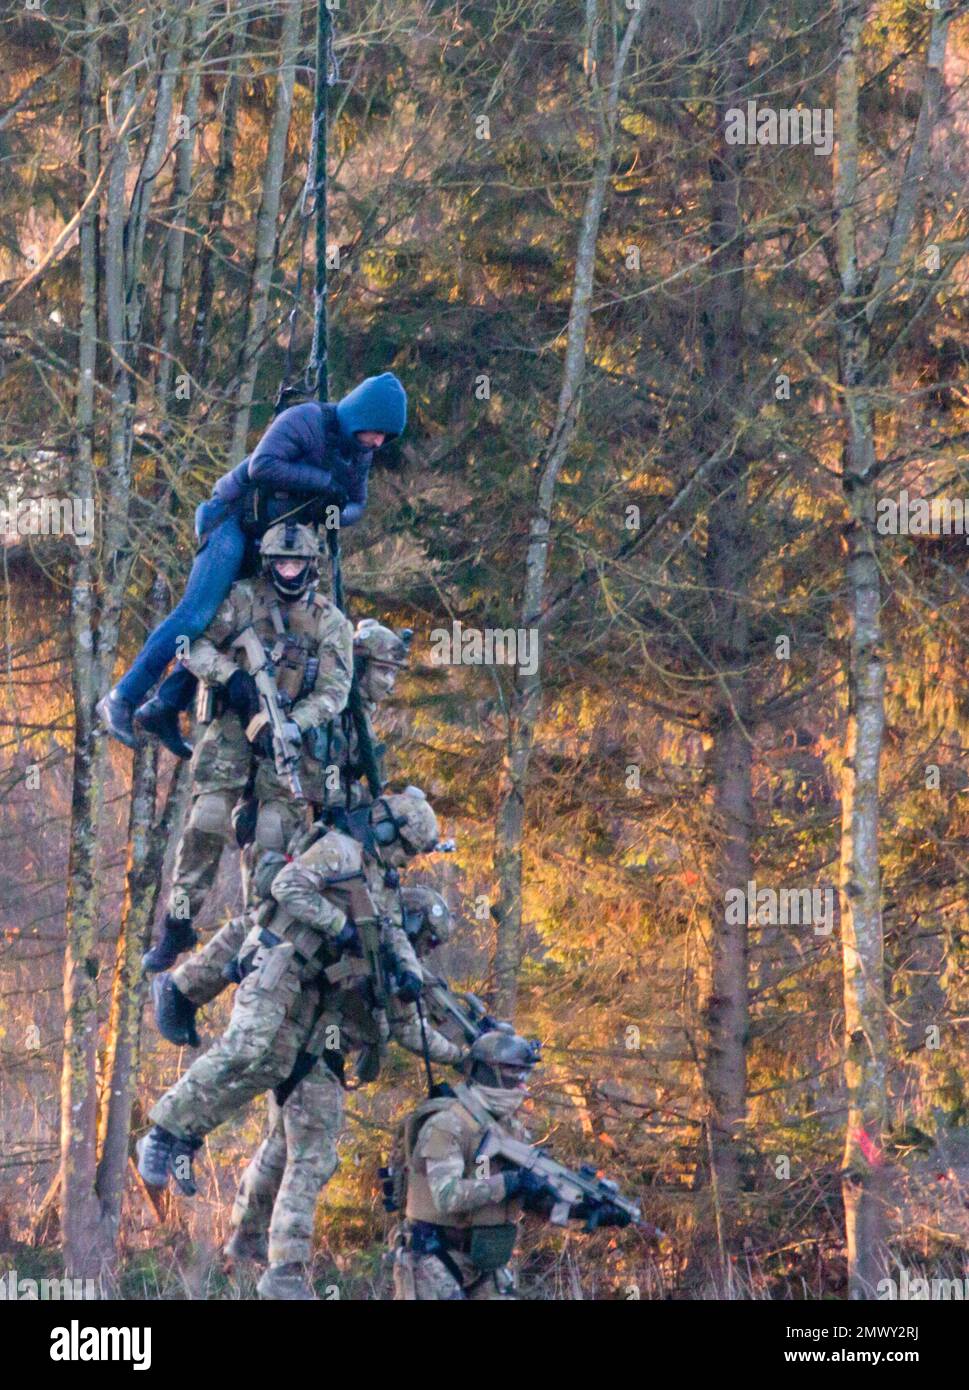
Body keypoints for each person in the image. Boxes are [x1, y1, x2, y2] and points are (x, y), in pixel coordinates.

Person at [136, 788, 453, 1299]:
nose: (406, 860)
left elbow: (390, 935)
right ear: (390, 829)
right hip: (277, 958)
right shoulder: (343, 850)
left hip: (302, 992)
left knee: (264, 1070)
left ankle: (200, 1163)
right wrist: (343, 930)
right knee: (246, 1048)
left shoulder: (377, 878)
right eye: (407, 848)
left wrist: (408, 972)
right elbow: (287, 886)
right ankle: (164, 1129)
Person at [97, 372, 407, 757]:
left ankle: (164, 706)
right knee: (196, 615)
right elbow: (262, 465)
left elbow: (356, 503)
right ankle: (122, 698)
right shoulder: (305, 420)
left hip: (270, 542)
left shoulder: (358, 453)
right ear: (362, 416)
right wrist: (322, 482)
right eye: (377, 432)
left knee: (229, 625)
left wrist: (334, 512)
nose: (378, 442)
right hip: (232, 520)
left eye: (385, 438)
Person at [149, 618, 413, 1032]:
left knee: (285, 919)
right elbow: (278, 759)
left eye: (394, 673)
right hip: (276, 818)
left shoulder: (355, 714)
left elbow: (341, 777)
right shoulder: (316, 703)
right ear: (357, 665)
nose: (390, 682)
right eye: (383, 670)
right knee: (266, 917)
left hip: (312, 831)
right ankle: (181, 991)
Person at [223, 886, 465, 1299]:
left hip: (295, 1055)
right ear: (410, 924)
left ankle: (246, 1238)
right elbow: (407, 1029)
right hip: (315, 1060)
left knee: (280, 1148)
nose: (426, 949)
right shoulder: (378, 958)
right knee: (312, 1160)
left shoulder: (358, 942)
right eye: (427, 939)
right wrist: (461, 1054)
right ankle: (284, 1271)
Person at [141, 521, 354, 974]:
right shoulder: (241, 598)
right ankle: (178, 924)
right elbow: (188, 645)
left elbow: (336, 691)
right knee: (206, 820)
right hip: (232, 729)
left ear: (311, 565)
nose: (289, 570)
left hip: (288, 739)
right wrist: (231, 676)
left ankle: (257, 947)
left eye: (297, 562)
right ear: (268, 562)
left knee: (273, 841)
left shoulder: (329, 621)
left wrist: (295, 724)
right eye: (281, 562)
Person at [391, 1031, 632, 1300]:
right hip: (434, 1258)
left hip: (485, 1261)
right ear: (488, 1072)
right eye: (514, 1074)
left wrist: (584, 1210)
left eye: (525, 1076)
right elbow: (447, 1196)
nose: (522, 1086)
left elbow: (526, 1200)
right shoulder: (447, 1124)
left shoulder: (510, 1129)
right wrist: (510, 1182)